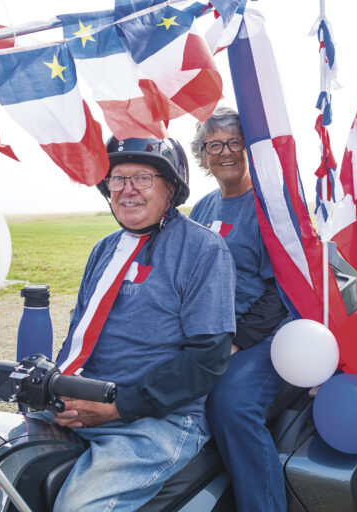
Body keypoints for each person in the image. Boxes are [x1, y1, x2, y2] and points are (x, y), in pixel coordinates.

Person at [41, 137, 237, 512]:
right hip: (85, 404)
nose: (127, 190)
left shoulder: (203, 249)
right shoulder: (104, 249)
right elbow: (80, 335)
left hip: (160, 423)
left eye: (143, 178)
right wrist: (58, 391)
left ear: (171, 187)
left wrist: (117, 407)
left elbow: (206, 360)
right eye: (118, 179)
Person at [189, 106, 291, 511]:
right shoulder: (202, 208)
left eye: (234, 142)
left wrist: (237, 342)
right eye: (214, 144)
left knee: (231, 404)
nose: (225, 152)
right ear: (203, 155)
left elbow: (281, 290)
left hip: (263, 336)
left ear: (250, 148)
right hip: (209, 334)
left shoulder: (269, 206)